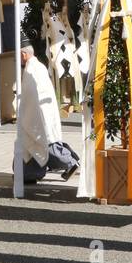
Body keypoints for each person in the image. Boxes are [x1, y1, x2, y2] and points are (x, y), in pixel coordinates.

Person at [19, 45, 79, 183]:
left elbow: (32, 94)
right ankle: (29, 174)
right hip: (42, 110)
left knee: (43, 144)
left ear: (23, 54)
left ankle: (69, 162)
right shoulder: (38, 66)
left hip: (37, 112)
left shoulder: (31, 69)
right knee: (37, 144)